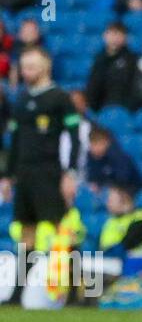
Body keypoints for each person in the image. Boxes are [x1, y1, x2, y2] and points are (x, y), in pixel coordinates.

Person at [2, 49, 82, 306]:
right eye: (24, 67)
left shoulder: (59, 98)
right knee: (26, 233)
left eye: (32, 67)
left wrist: (70, 173)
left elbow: (75, 137)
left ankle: (73, 293)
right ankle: (17, 294)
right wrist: (7, 176)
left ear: (46, 67)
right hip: (25, 174)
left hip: (49, 173)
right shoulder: (22, 99)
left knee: (61, 231)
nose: (27, 72)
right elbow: (14, 142)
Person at [86, 21, 140, 111]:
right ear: (104, 36)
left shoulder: (133, 60)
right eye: (111, 34)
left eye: (118, 34)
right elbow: (93, 86)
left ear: (125, 37)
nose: (114, 38)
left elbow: (135, 89)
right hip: (100, 110)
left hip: (124, 110)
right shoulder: (98, 59)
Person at [98, 184, 142, 259]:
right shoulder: (110, 221)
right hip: (109, 263)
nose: (107, 203)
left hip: (138, 263)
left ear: (124, 200)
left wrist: (109, 253)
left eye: (111, 200)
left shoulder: (140, 217)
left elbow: (127, 244)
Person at [84, 126, 142, 194]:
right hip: (107, 192)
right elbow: (92, 178)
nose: (93, 148)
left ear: (106, 142)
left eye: (97, 143)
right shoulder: (91, 156)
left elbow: (122, 180)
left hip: (130, 190)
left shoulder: (118, 156)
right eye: (92, 144)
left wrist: (104, 186)